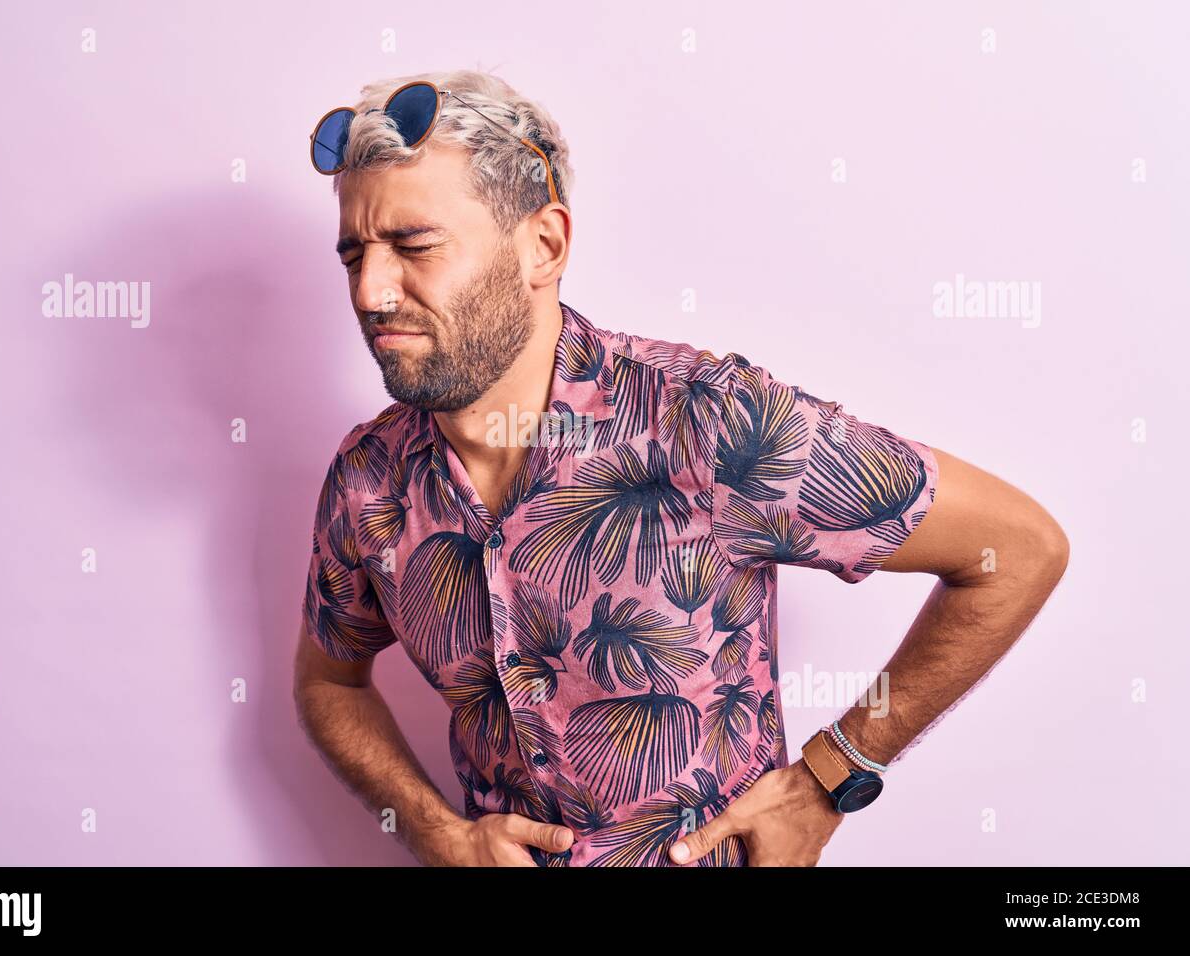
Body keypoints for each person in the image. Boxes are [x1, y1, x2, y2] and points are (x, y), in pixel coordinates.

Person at [293, 69, 1069, 867]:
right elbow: (329, 684)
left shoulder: (708, 424)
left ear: (544, 245)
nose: (371, 291)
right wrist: (434, 831)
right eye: (355, 253)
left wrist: (835, 775)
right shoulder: (367, 481)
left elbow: (1018, 549)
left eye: (414, 246)